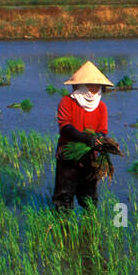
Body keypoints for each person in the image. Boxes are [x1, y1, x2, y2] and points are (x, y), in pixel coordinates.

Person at [53, 61, 121, 210]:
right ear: (80, 86)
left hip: (90, 156)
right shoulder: (67, 102)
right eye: (90, 85)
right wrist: (87, 138)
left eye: (97, 86)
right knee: (64, 197)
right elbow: (65, 128)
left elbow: (102, 130)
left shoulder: (101, 107)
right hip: (68, 155)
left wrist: (100, 141)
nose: (95, 89)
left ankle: (89, 229)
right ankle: (62, 229)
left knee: (89, 198)